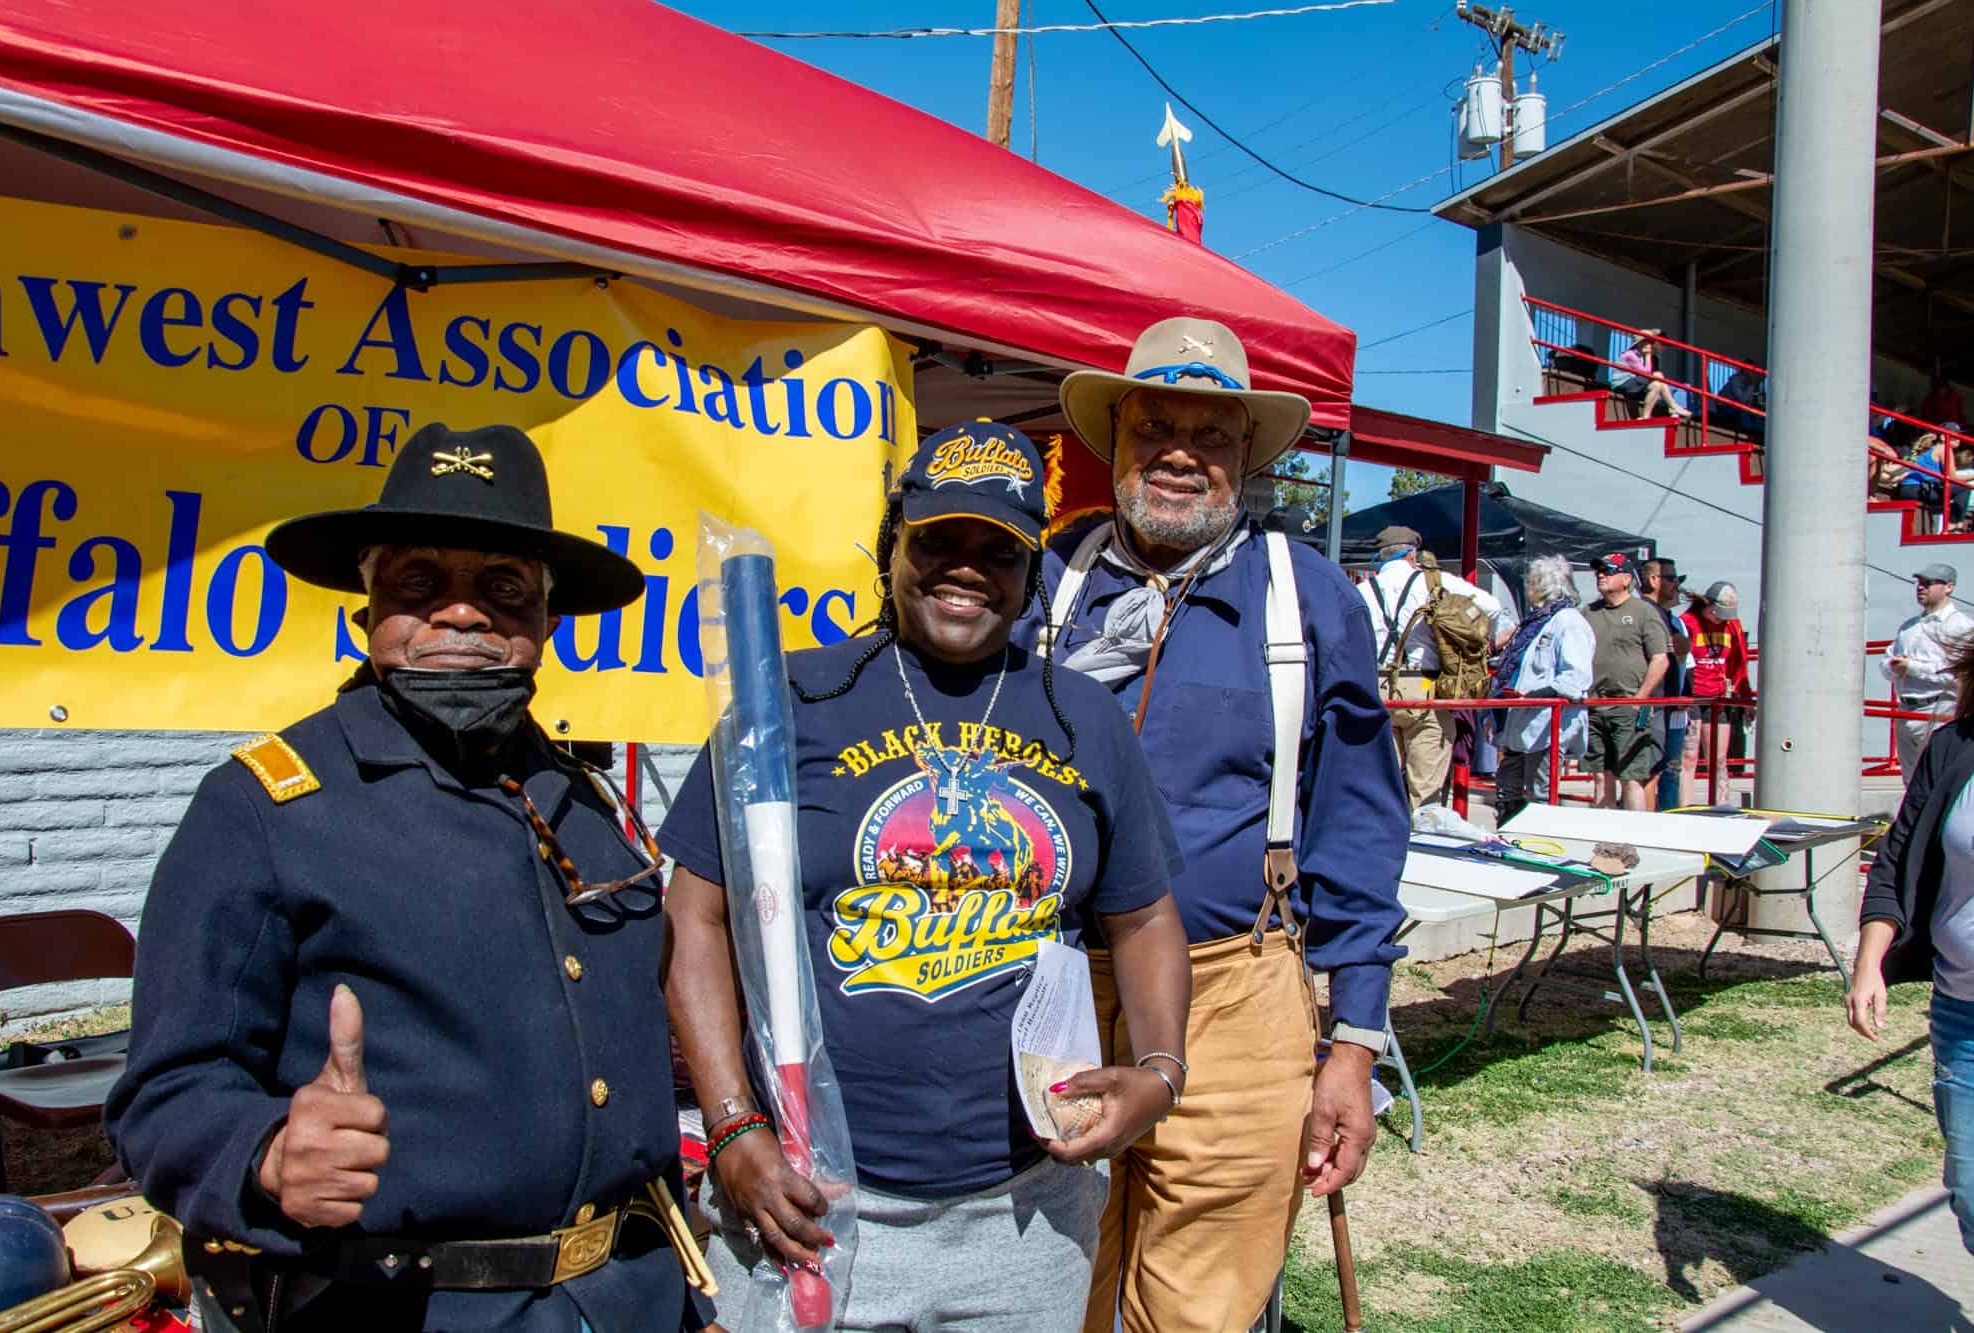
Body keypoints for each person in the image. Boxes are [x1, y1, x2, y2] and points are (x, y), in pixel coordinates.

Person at [105, 424, 713, 1332]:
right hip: (404, 1308)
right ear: (368, 606)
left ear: (548, 618)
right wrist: (266, 1152)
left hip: (628, 1301)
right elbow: (164, 1092)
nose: (462, 613)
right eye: (420, 581)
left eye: (503, 587)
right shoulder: (262, 810)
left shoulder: (580, 802)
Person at [659, 422, 1192, 1332]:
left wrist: (1161, 1071)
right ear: (892, 544)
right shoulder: (786, 698)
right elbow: (697, 918)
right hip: (806, 1194)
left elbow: (1144, 921)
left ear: (1032, 574)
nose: (966, 566)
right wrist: (734, 1126)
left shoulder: (1086, 718)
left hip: (1024, 1217)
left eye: (1000, 549)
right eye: (938, 538)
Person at [1026, 317, 1408, 1332]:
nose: (1182, 454)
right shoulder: (1045, 582)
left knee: (1199, 1307)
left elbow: (1358, 823)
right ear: (1116, 439)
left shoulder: (1305, 594)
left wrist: (1353, 1042)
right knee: (1045, 1284)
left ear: (1246, 455)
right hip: (1051, 988)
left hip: (1236, 990)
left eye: (1212, 434)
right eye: (1156, 426)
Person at [1847, 633, 1974, 1256]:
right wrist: (1870, 961)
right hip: (1964, 1010)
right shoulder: (1954, 749)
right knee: (1972, 1189)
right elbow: (1896, 859)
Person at [1361, 524, 1515, 811]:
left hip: (1377, 688)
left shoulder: (1362, 590)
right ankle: (1420, 844)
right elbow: (1492, 607)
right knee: (1426, 791)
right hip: (1425, 688)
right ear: (1412, 554)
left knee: (1382, 784)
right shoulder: (1434, 582)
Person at [1492, 556, 1595, 823]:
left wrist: (1534, 695)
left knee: (1541, 792)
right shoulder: (1537, 621)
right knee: (1507, 788)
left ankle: (1539, 844)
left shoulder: (1569, 622)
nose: (1528, 586)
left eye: (1533, 581)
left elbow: (1576, 678)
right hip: (1521, 721)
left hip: (1547, 724)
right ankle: (1508, 837)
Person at [1581, 553, 1669, 811]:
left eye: (1608, 571)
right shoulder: (1589, 612)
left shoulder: (1643, 612)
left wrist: (1639, 698)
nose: (1601, 575)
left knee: (1631, 777)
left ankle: (1633, 838)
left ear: (1627, 578)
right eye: (1599, 571)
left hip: (1629, 708)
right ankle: (1604, 839)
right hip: (1595, 706)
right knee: (1600, 775)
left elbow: (1660, 659)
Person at [1885, 563, 1974, 775]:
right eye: (1919, 583)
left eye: (1928, 583)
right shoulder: (1909, 626)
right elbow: (1887, 661)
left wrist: (1911, 667)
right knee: (1910, 779)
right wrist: (1894, 666)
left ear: (1949, 587)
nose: (1920, 588)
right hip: (1906, 710)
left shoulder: (1961, 626)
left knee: (1934, 775)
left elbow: (1959, 674)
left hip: (1940, 708)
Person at [1679, 581, 1755, 803]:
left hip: (1718, 697)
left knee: (1719, 758)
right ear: (1708, 605)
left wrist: (1746, 699)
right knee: (1689, 757)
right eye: (1718, 613)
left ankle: (1721, 806)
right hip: (1692, 696)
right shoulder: (1688, 623)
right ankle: (1685, 808)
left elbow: (1739, 664)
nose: (1721, 618)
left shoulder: (1732, 626)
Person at [1641, 557, 1690, 810]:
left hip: (1671, 703)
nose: (1676, 585)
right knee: (1649, 769)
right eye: (1672, 579)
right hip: (1652, 703)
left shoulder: (1671, 618)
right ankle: (1647, 828)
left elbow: (1682, 661)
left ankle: (1666, 818)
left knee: (1669, 768)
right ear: (1653, 580)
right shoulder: (1645, 614)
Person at [1610, 330, 1691, 422]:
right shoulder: (1630, 355)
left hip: (1636, 384)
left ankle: (1646, 416)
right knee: (1658, 375)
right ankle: (1673, 407)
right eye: (1648, 342)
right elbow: (1646, 373)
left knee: (1657, 384)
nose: (1651, 344)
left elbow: (1646, 376)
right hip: (1622, 383)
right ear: (1640, 343)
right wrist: (1648, 355)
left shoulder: (1648, 357)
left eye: (1652, 342)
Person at [1712, 365, 1765, 442]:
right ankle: (1750, 430)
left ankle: (1761, 430)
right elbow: (1742, 400)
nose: (1754, 374)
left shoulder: (1753, 384)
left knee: (1758, 414)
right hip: (1723, 408)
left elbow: (1752, 403)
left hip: (1737, 409)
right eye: (1752, 371)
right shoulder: (1735, 380)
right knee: (1743, 411)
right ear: (1746, 371)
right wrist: (1751, 385)